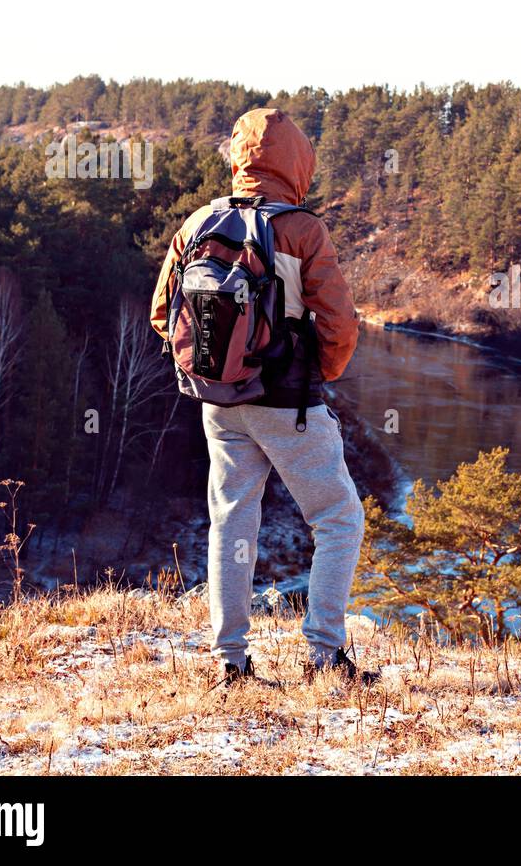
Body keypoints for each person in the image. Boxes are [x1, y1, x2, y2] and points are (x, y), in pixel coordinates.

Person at [150, 107, 368, 684]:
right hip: (288, 402)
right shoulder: (302, 229)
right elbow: (340, 324)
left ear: (240, 158)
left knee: (231, 522)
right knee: (339, 519)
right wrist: (318, 373)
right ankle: (324, 655)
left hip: (218, 402)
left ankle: (230, 661)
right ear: (297, 163)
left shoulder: (198, 223)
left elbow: (159, 314)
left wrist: (221, 361)